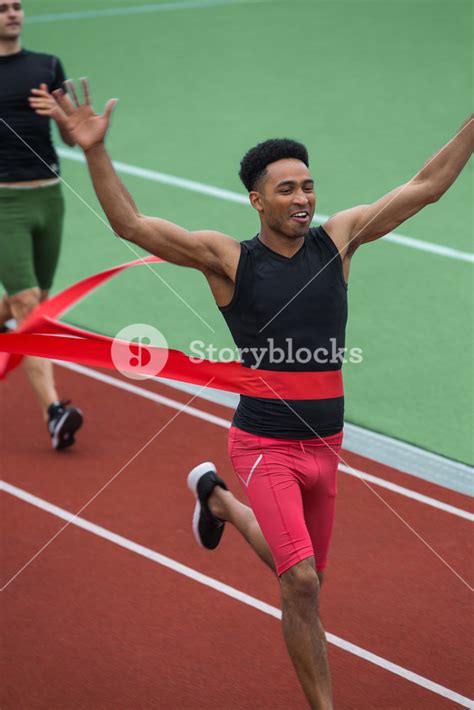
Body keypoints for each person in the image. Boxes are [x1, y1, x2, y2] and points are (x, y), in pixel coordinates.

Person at [51, 80, 472, 709]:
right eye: (287, 189)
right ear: (257, 200)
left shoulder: (341, 239)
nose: (303, 199)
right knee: (300, 582)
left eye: (308, 186)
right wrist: (94, 150)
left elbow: (427, 185)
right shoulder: (229, 260)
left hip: (326, 446)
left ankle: (217, 501)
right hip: (264, 442)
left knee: (307, 580)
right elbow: (130, 225)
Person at [0, 1, 83, 450]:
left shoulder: (47, 65)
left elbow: (73, 135)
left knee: (36, 303)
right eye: (2, 8)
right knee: (29, 306)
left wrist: (60, 116)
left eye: (16, 6)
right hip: (3, 204)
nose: (12, 14)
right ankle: (54, 412)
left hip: (49, 197)